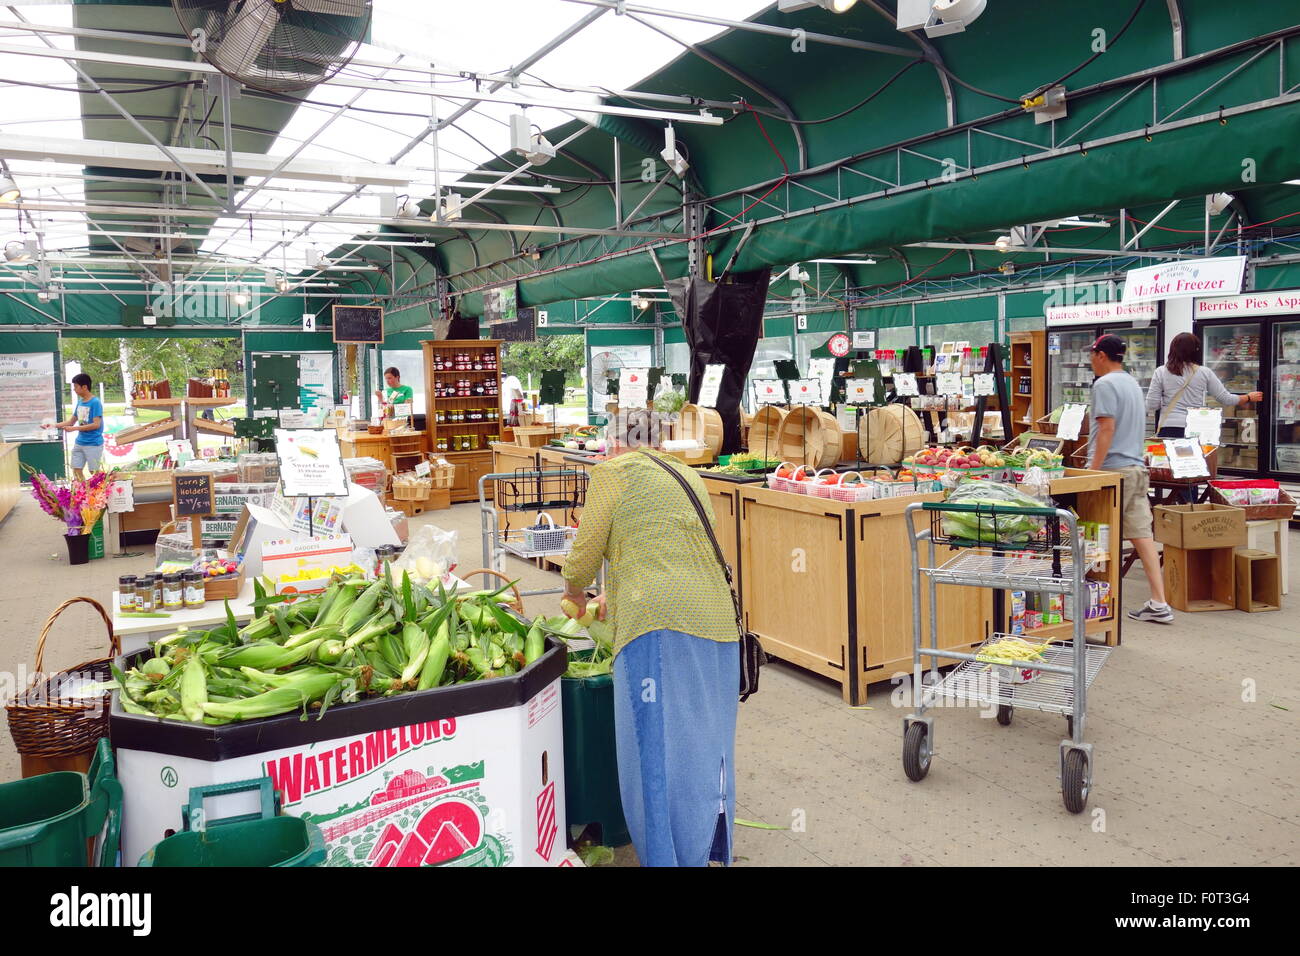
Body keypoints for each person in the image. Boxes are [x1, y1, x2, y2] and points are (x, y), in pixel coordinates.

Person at [561, 425, 740, 867]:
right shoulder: (689, 475)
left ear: (617, 443)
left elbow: (585, 553)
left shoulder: (613, 473)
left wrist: (577, 592)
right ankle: (707, 847)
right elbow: (668, 548)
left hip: (657, 626)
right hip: (717, 619)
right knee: (706, 745)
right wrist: (613, 595)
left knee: (653, 749)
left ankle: (666, 856)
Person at [1087, 334, 1172, 624]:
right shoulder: (1132, 383)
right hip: (1136, 470)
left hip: (1112, 471)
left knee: (1091, 535)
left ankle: (1090, 605)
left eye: (1092, 354)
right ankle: (1159, 603)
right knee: (1143, 537)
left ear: (1100, 355)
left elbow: (1106, 430)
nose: (1090, 361)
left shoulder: (1105, 384)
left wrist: (1093, 472)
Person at [1146, 332, 1263, 438]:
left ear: (1172, 349)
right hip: (1194, 427)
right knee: (1192, 461)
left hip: (1168, 427)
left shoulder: (1160, 371)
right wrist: (1248, 397)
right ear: (1196, 350)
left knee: (1169, 461)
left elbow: (1152, 404)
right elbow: (1226, 399)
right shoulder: (1204, 372)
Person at [55, 372, 104, 479]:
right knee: (76, 470)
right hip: (79, 442)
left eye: (76, 386)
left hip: (93, 443)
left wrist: (74, 429)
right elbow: (71, 422)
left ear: (84, 387)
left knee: (94, 472)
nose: (74, 389)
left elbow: (96, 424)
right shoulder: (80, 402)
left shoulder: (95, 402)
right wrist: (53, 425)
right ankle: (84, 493)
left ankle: (101, 492)